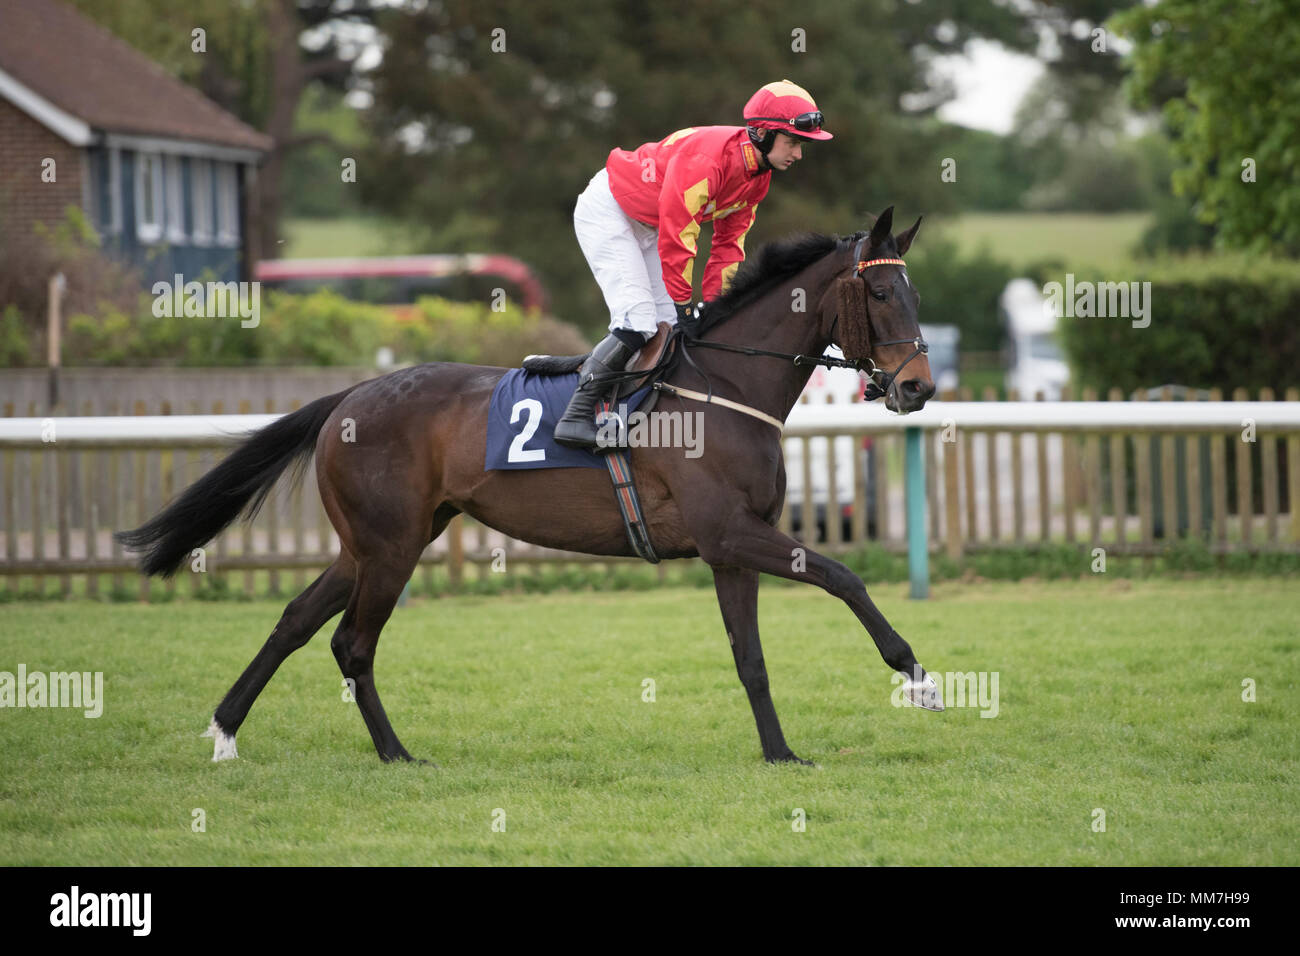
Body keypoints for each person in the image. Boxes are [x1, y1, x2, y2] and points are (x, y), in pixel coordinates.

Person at [553, 79, 833, 449]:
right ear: (762, 133)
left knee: (668, 329)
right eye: (794, 142)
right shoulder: (707, 161)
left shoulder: (757, 177)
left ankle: (636, 414)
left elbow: (728, 246)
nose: (799, 154)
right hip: (610, 211)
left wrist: (718, 306)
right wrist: (687, 302)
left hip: (648, 223)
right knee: (638, 321)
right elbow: (679, 235)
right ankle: (575, 416)